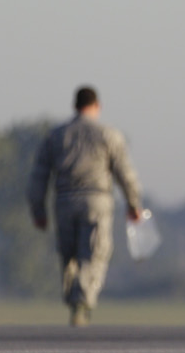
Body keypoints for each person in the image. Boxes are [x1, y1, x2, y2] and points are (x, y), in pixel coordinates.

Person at [26, 86, 143, 326]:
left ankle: (73, 300)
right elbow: (125, 173)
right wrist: (133, 203)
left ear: (75, 106)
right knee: (93, 254)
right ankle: (81, 303)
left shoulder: (56, 136)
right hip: (96, 200)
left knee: (69, 255)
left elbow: (38, 176)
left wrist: (38, 210)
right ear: (97, 106)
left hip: (64, 200)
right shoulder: (109, 135)